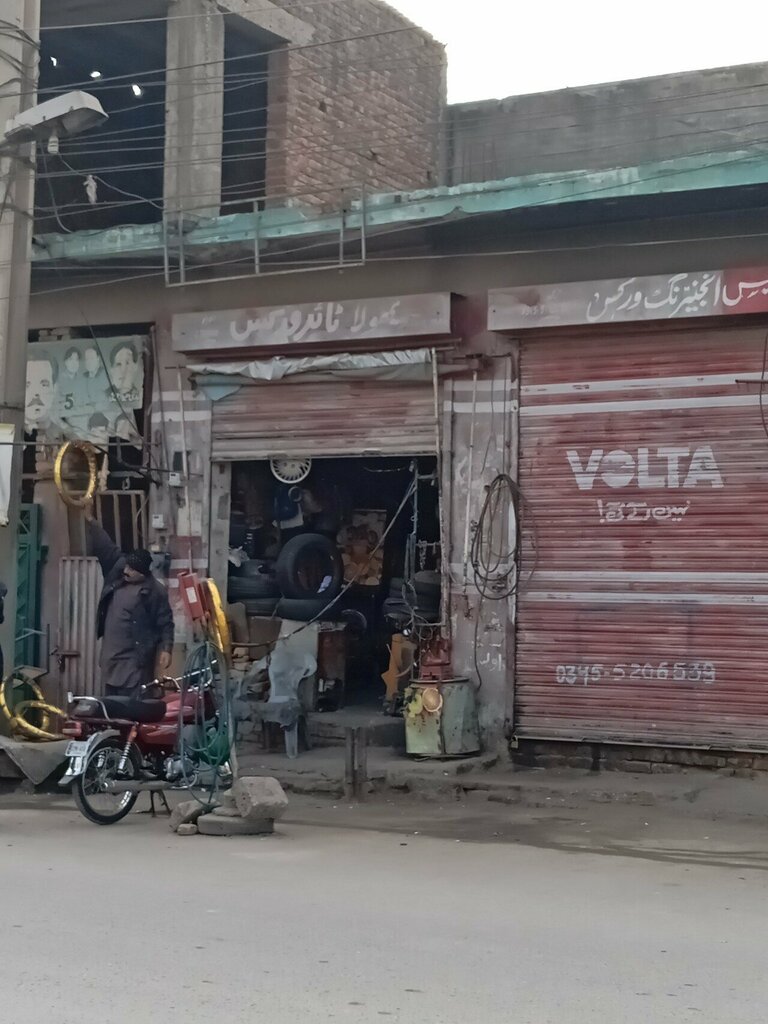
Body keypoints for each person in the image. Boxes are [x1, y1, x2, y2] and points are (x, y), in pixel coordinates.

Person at [84, 508, 174, 698]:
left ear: (143, 573)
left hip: (135, 663)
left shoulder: (154, 592)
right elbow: (105, 546)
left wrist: (166, 648)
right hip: (111, 660)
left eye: (132, 570)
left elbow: (165, 622)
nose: (127, 571)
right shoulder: (116, 574)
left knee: (133, 709)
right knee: (112, 707)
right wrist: (91, 521)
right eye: (127, 566)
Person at [25, 356, 59, 433]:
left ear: (55, 389)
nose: (35, 394)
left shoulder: (64, 436)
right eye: (27, 385)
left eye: (43, 384)